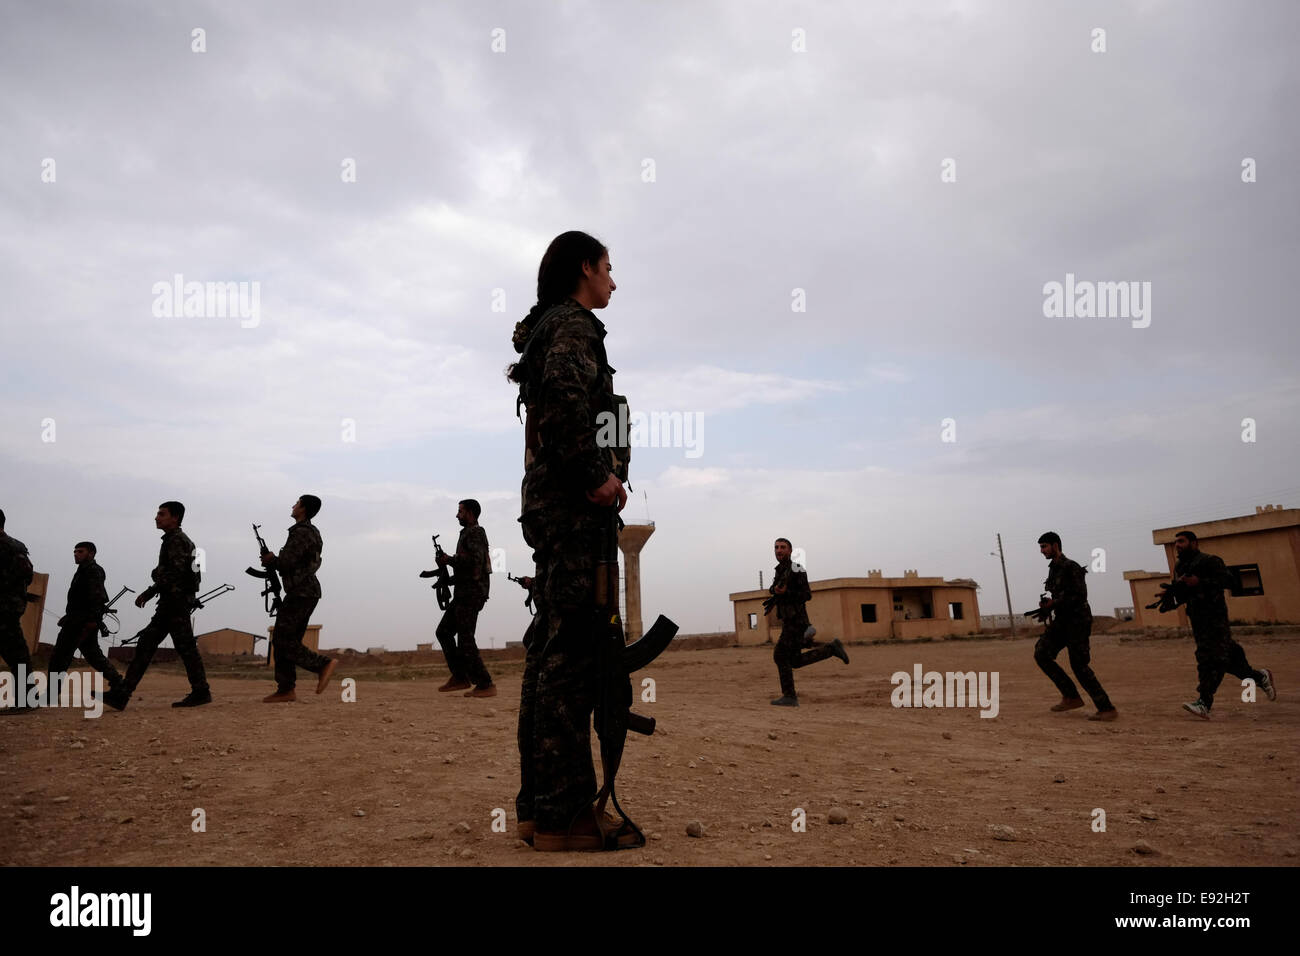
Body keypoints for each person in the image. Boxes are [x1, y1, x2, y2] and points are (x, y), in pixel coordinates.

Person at [509, 230, 642, 852]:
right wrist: (598, 478)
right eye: (608, 269)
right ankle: (566, 817)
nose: (614, 282)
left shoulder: (553, 327)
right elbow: (567, 404)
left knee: (550, 651)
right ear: (584, 268)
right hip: (572, 509)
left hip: (552, 507)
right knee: (572, 661)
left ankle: (540, 808)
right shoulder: (573, 326)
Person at [102, 501, 211, 710]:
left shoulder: (178, 541)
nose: (156, 517)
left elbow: (176, 574)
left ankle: (200, 691)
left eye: (162, 514)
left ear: (175, 518)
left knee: (172, 647)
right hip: (173, 602)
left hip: (175, 603)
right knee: (156, 645)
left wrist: (151, 589)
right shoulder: (175, 540)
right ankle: (123, 694)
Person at [1172, 530, 1276, 718]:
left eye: (1182, 541)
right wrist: (1171, 594)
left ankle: (1204, 701)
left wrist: (1200, 582)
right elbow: (1183, 591)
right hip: (1197, 619)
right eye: (1176, 542)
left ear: (1194, 543)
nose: (1177, 545)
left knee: (1211, 658)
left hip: (1215, 618)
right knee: (1229, 658)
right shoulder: (1180, 566)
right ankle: (1260, 677)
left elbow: (1231, 582)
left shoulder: (1210, 561)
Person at [1031, 532, 1118, 721]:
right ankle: (1071, 696)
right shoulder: (1053, 568)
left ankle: (1106, 708)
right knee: (1042, 653)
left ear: (1055, 545)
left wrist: (1054, 603)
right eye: (1040, 547)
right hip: (1062, 621)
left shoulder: (1071, 567)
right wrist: (1048, 605)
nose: (1042, 550)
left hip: (1077, 621)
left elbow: (1079, 596)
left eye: (1044, 546)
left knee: (1079, 665)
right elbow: (1059, 596)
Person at [261, 495, 336, 703]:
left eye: (296, 502)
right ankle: (286, 689)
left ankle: (322, 665)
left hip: (301, 592)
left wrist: (272, 560)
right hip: (303, 592)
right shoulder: (309, 532)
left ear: (303, 509)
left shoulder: (302, 532)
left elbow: (286, 563)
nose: (293, 505)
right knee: (286, 640)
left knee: (283, 640)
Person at [767, 538, 848, 707]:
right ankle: (831, 649)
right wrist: (775, 590)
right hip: (790, 620)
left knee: (780, 655)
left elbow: (806, 594)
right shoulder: (780, 570)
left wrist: (786, 592)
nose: (778, 550)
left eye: (782, 547)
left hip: (796, 621)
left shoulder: (797, 569)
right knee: (794, 660)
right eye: (776, 547)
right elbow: (774, 589)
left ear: (790, 550)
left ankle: (789, 696)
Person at [430, 499, 495, 697]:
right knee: (444, 632)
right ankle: (460, 677)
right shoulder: (467, 534)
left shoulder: (475, 532)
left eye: (460, 511)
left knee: (465, 639)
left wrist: (449, 560)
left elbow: (475, 561)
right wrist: (447, 578)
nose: (457, 515)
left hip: (471, 594)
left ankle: (485, 684)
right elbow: (467, 568)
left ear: (470, 513)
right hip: (463, 593)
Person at [47, 541, 124, 696]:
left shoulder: (94, 571)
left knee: (60, 655)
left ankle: (50, 694)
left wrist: (91, 621)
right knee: (94, 656)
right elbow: (79, 599)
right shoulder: (82, 571)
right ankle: (118, 682)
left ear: (91, 553)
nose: (76, 554)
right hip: (77, 619)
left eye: (80, 551)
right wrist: (68, 616)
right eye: (75, 551)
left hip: (82, 622)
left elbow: (97, 598)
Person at [0, 509, 36, 712]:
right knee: (17, 653)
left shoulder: (5, 546)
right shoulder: (17, 546)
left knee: (16, 653)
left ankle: (27, 699)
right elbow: (28, 575)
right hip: (12, 605)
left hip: (4, 607)